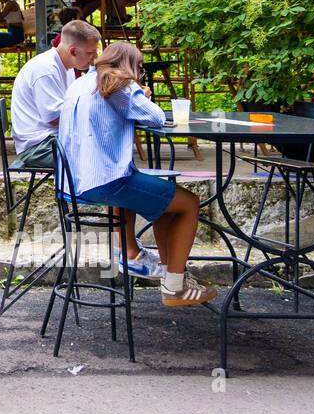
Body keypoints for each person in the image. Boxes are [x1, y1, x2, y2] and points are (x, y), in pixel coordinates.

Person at [57, 41, 218, 303]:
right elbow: (155, 118)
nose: (140, 72)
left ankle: (165, 271)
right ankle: (174, 288)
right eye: (139, 67)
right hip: (106, 181)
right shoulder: (119, 83)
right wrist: (142, 94)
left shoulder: (80, 82)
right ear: (129, 65)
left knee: (167, 203)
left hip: (74, 183)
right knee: (189, 203)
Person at [10, 20, 101, 167]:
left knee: (104, 145)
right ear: (73, 51)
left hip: (54, 138)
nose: (94, 58)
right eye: (90, 53)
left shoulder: (68, 68)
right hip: (38, 146)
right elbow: (54, 118)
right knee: (98, 156)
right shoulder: (45, 69)